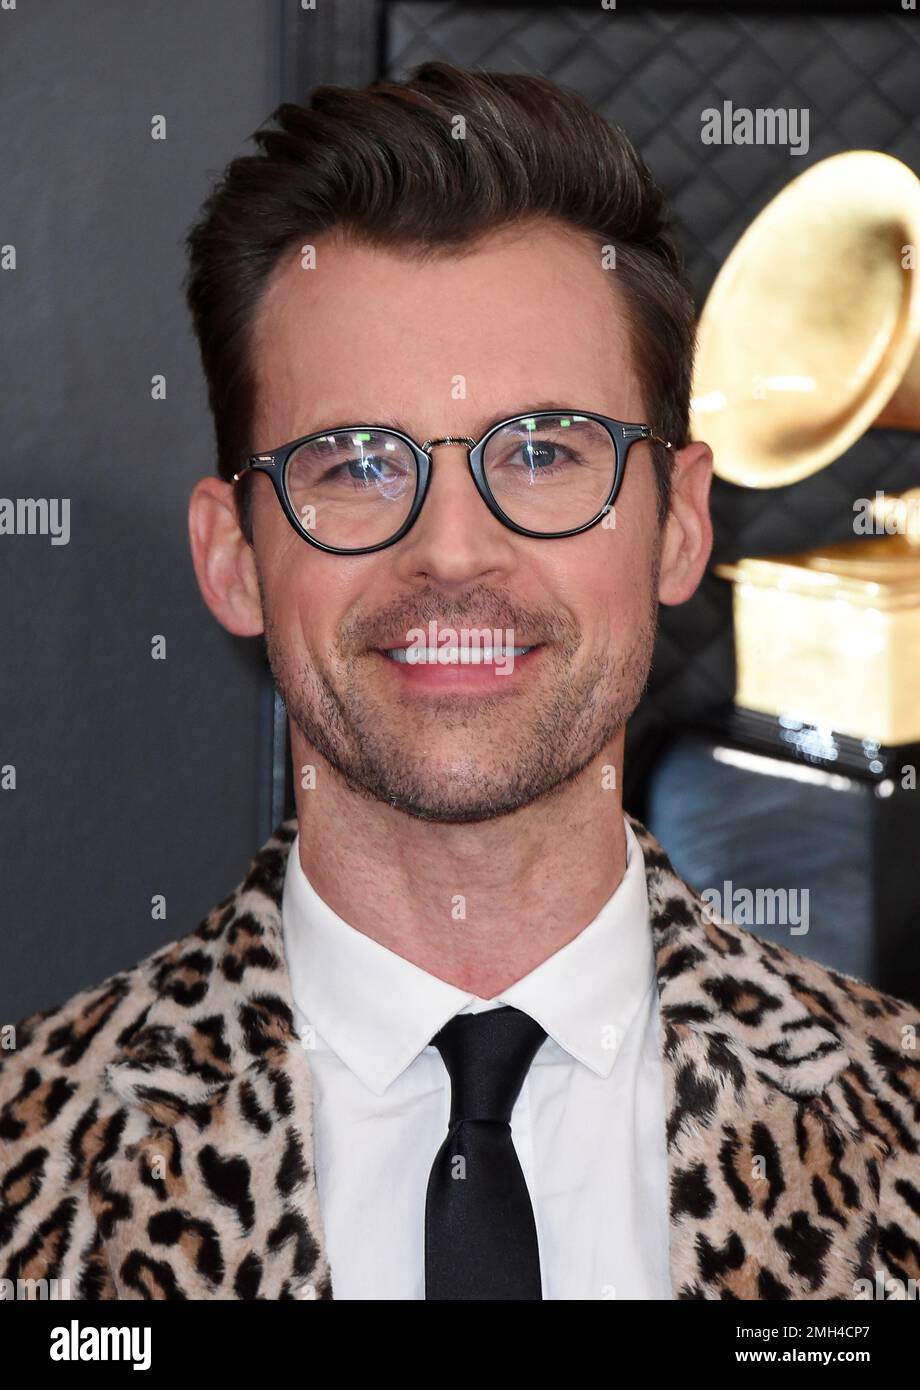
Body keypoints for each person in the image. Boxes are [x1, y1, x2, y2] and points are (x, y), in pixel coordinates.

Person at [2, 61, 918, 1303]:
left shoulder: (897, 1132)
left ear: (677, 525)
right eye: (355, 464)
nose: (449, 551)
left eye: (541, 451)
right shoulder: (27, 1168)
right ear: (232, 558)